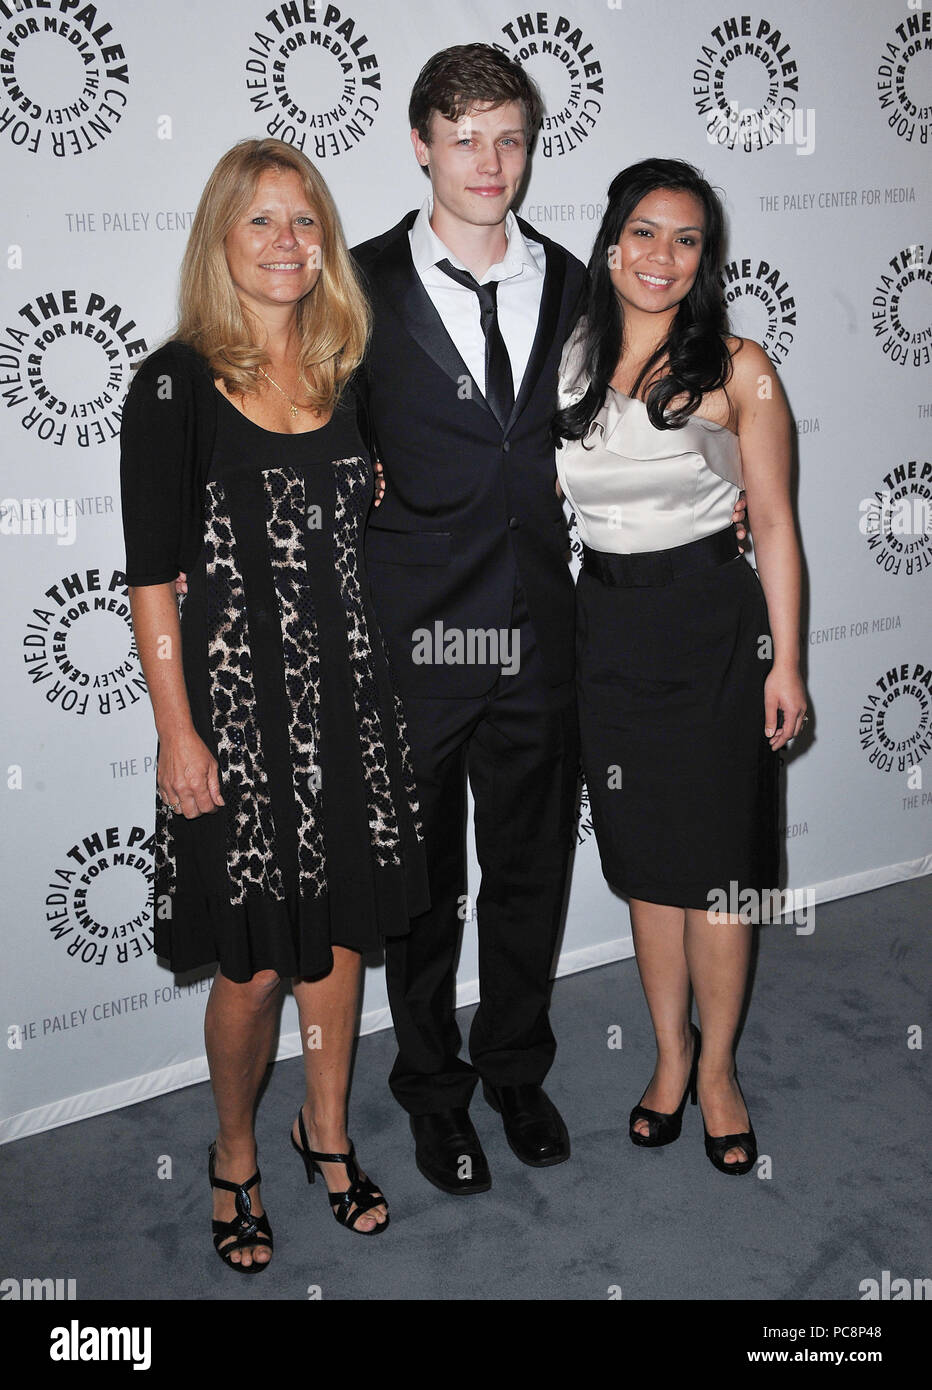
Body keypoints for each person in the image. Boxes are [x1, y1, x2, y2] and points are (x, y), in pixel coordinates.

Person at [120, 138, 428, 1269]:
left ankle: (328, 1130)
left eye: (305, 221)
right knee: (251, 970)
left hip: (352, 705)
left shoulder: (347, 372)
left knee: (340, 943)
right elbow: (152, 577)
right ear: (220, 238)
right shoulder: (171, 383)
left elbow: (393, 499)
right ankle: (237, 1151)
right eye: (261, 220)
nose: (288, 241)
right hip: (233, 723)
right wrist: (175, 732)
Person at [349, 44, 588, 1192]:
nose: (490, 163)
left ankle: (514, 1067)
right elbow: (302, 436)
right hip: (419, 647)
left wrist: (727, 484)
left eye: (509, 138)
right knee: (423, 887)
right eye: (464, 139)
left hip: (540, 635)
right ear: (420, 147)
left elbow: (645, 415)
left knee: (530, 871)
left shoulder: (576, 282)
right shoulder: (355, 288)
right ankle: (433, 1092)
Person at [554, 158, 808, 1174]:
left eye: (687, 239)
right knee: (647, 870)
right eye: (645, 233)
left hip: (713, 632)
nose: (663, 257)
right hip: (604, 632)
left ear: (705, 258)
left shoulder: (737, 366)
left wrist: (783, 662)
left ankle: (716, 1074)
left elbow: (777, 526)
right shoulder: (561, 357)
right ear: (612, 241)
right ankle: (667, 1057)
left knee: (719, 876)